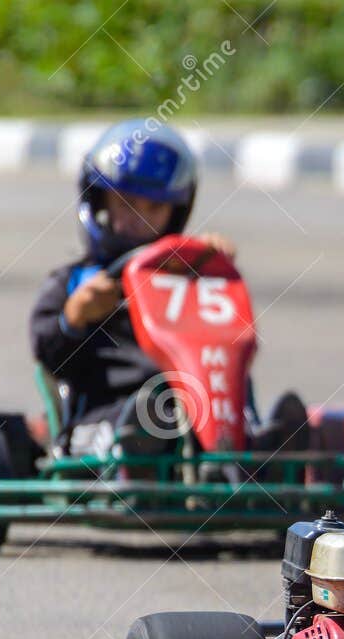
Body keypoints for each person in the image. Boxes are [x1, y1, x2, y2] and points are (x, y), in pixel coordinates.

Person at [28, 119, 302, 450]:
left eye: (154, 207)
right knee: (148, 418)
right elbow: (46, 353)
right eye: (126, 203)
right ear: (100, 201)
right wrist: (75, 316)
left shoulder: (188, 273)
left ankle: (264, 451)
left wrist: (212, 267)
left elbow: (227, 340)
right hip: (107, 415)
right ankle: (143, 455)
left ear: (176, 211)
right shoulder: (75, 281)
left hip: (192, 402)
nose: (138, 218)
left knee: (185, 413)